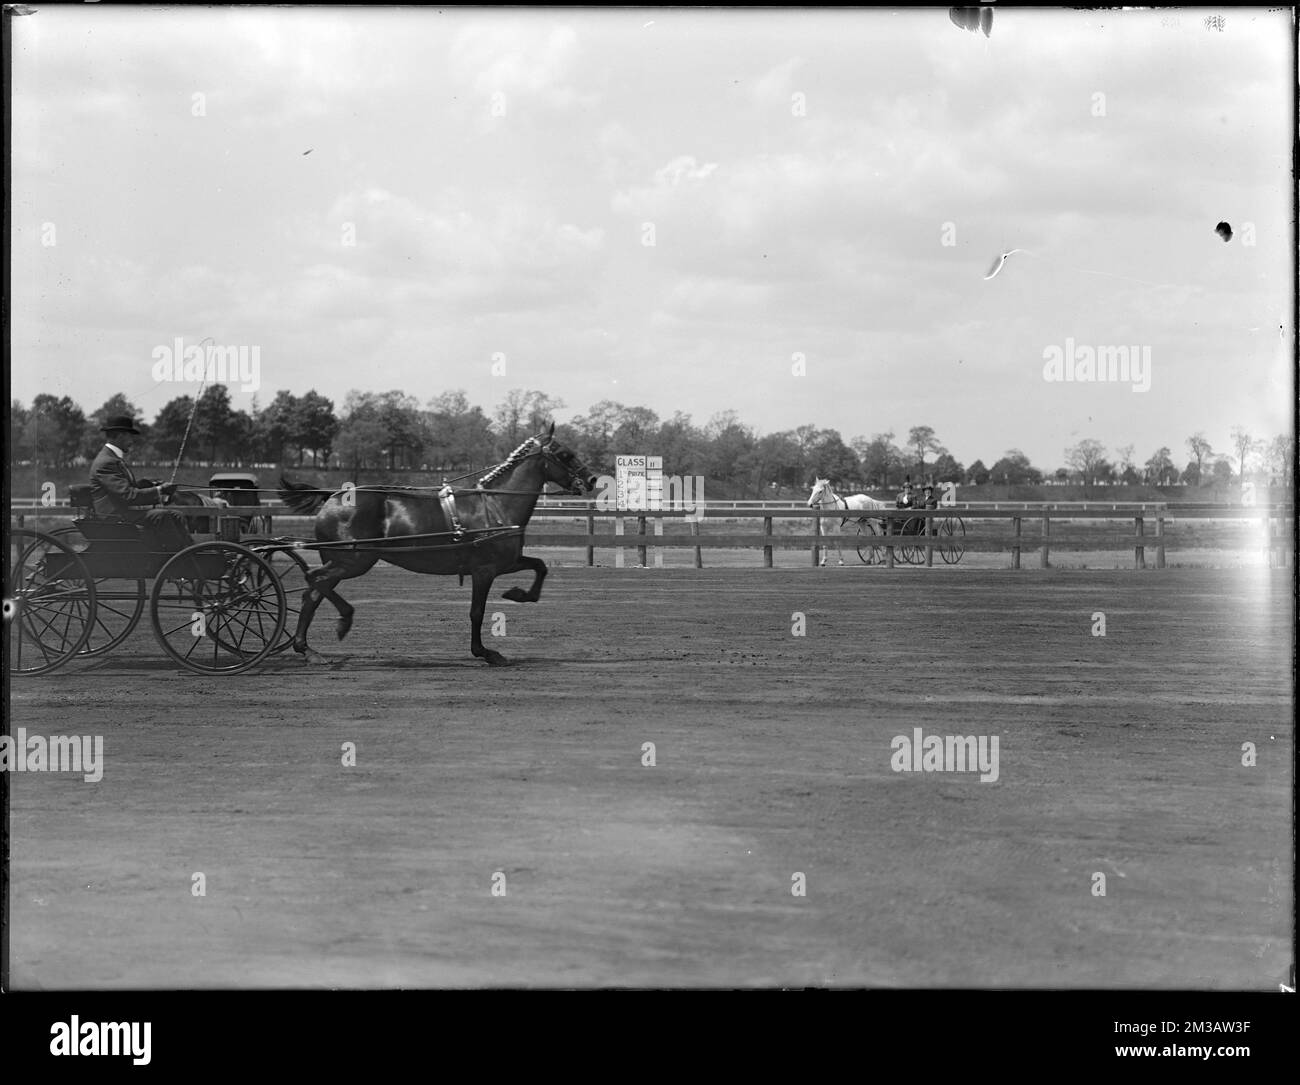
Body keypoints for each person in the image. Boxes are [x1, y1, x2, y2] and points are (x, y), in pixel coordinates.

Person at [89, 416, 194, 553]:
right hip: (114, 517)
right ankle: (177, 559)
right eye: (129, 437)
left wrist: (147, 484)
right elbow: (127, 495)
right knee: (161, 516)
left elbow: (124, 489)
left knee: (176, 515)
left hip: (123, 512)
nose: (131, 441)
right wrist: (159, 490)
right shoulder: (106, 462)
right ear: (120, 435)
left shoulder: (112, 459)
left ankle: (190, 553)